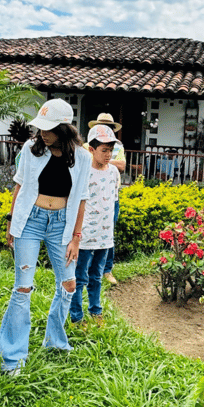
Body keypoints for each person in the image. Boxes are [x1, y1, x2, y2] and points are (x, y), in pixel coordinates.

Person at [0, 99, 90, 374]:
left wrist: (76, 238)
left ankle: (55, 341)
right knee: (23, 288)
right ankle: (13, 359)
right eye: (40, 128)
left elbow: (82, 198)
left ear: (64, 128)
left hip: (62, 224)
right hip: (30, 220)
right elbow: (20, 186)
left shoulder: (82, 156)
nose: (43, 134)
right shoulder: (31, 149)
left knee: (69, 284)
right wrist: (11, 222)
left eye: (48, 129)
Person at [69, 123, 122, 323]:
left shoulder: (114, 173)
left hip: (105, 236)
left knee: (97, 277)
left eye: (111, 150)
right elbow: (74, 203)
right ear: (91, 149)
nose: (109, 155)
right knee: (79, 278)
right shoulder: (82, 171)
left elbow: (114, 203)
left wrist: (112, 229)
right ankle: (76, 316)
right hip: (84, 236)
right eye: (104, 150)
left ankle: (96, 311)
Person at [86, 113, 125, 285]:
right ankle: (86, 271)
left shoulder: (118, 146)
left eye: (109, 126)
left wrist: (105, 159)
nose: (105, 128)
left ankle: (107, 270)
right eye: (102, 125)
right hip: (90, 199)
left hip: (111, 196)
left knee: (108, 232)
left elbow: (121, 165)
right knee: (87, 233)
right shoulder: (85, 145)